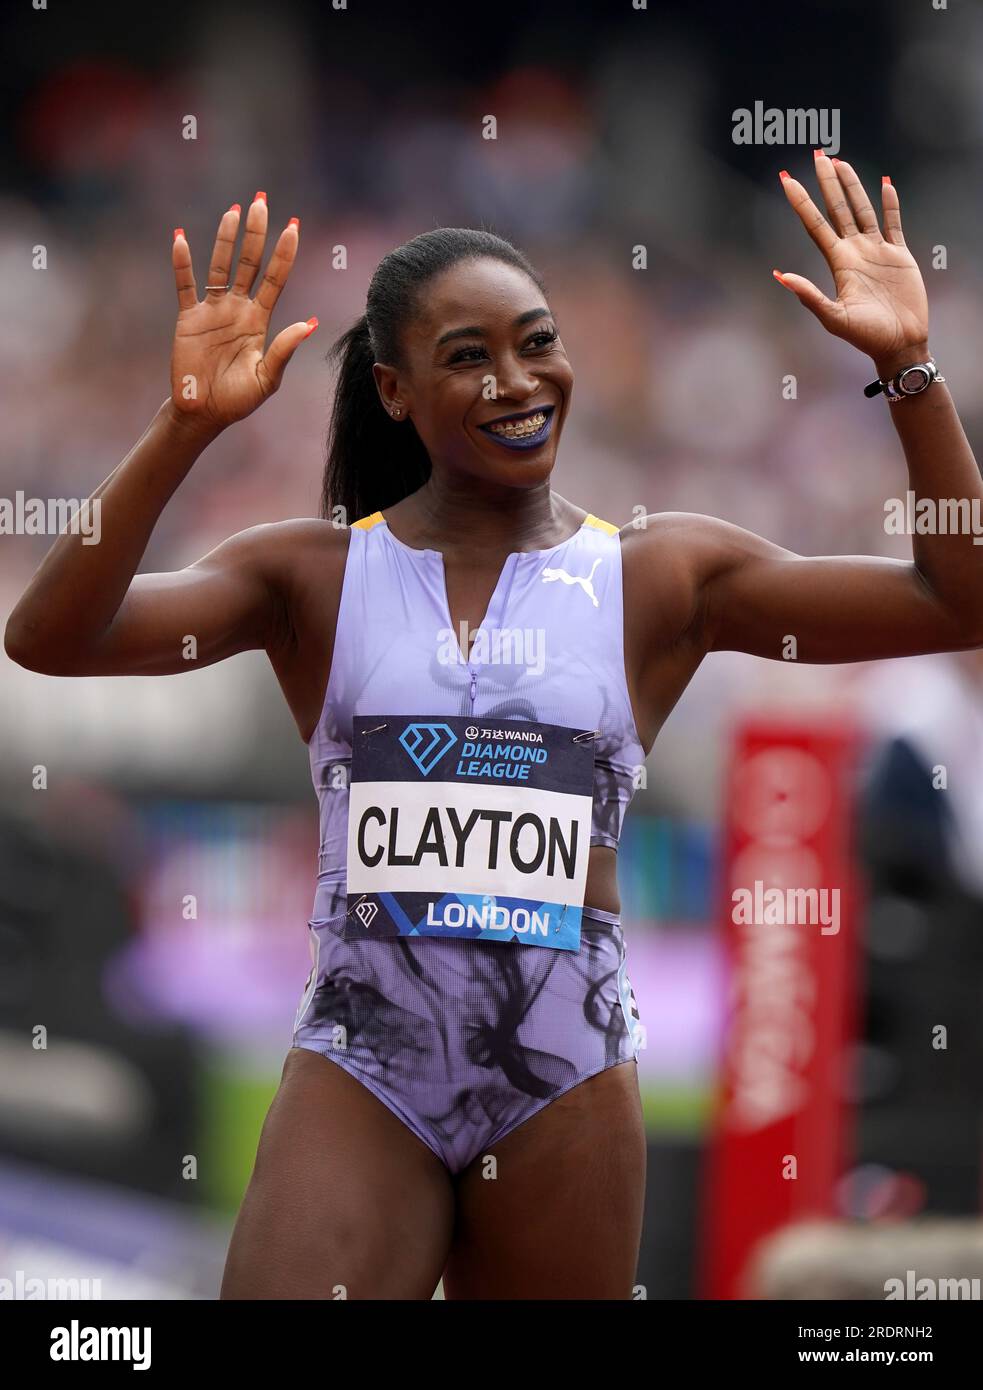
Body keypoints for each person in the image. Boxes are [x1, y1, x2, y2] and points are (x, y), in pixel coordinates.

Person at [6, 153, 983, 1300]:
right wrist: (181, 429)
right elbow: (52, 635)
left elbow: (952, 598)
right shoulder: (310, 578)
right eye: (467, 357)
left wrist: (906, 370)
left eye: (537, 340)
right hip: (365, 1067)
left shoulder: (659, 575)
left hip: (561, 1077)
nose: (519, 380)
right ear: (393, 393)